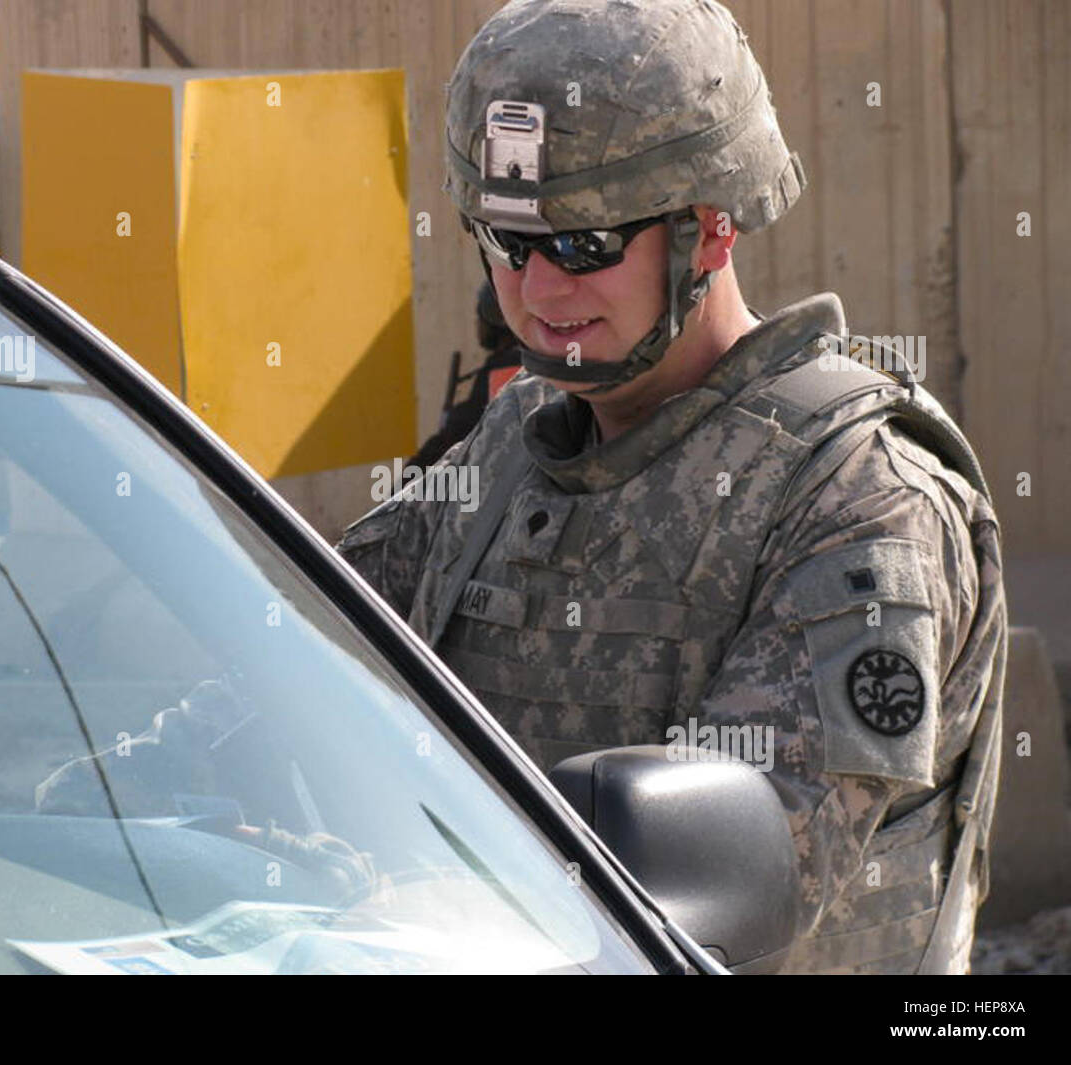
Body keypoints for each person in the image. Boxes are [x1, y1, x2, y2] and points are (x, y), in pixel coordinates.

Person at [335, 0, 1007, 974]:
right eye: (507, 241)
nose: (538, 290)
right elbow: (295, 651)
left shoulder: (861, 492)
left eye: (584, 245)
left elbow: (748, 874)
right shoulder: (513, 441)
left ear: (710, 229)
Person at [409, 281, 522, 469]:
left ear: (494, 317)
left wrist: (403, 485)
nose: (477, 324)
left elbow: (457, 434)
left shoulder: (501, 370)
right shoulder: (541, 364)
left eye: (479, 317)